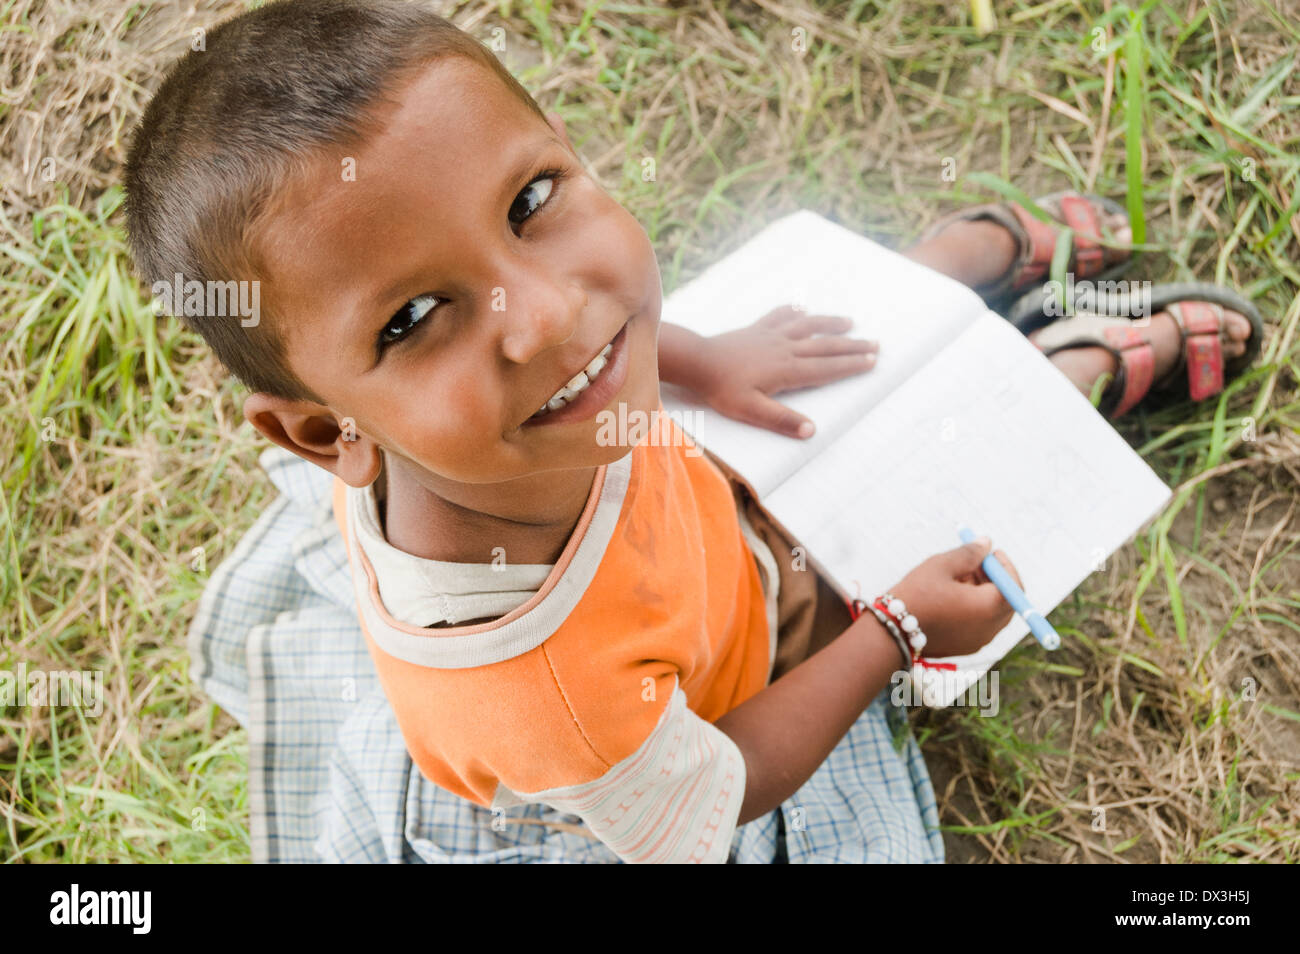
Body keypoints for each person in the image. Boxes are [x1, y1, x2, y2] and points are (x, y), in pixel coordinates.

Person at [126, 0, 1258, 863]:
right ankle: (1046, 377)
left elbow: (595, 331)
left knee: (814, 357)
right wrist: (896, 633)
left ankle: (935, 292)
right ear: (327, 436)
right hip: (730, 661)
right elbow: (731, 779)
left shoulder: (526, 408)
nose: (557, 314)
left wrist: (708, 362)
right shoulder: (542, 688)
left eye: (528, 204)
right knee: (943, 498)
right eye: (417, 318)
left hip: (696, 526)